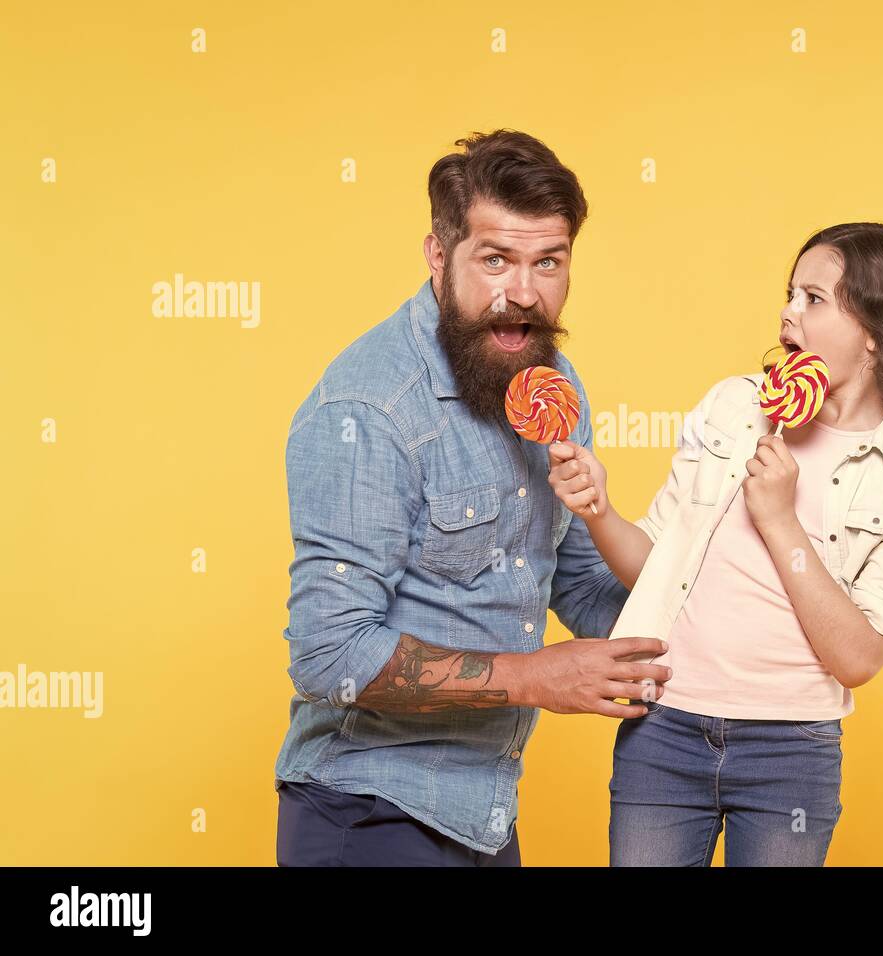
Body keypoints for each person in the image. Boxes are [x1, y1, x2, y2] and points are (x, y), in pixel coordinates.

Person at [273, 129, 671, 867]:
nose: (524, 292)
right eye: (495, 260)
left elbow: (580, 586)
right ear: (437, 254)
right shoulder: (369, 410)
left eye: (548, 262)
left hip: (481, 816)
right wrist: (539, 677)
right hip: (367, 815)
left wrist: (715, 607)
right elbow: (329, 656)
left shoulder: (552, 385)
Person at [548, 222, 883, 866]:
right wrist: (599, 510)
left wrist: (779, 519)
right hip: (664, 726)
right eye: (790, 293)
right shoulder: (733, 406)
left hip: (790, 752)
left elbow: (857, 658)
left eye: (814, 298)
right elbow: (653, 565)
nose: (788, 311)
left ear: (875, 336)